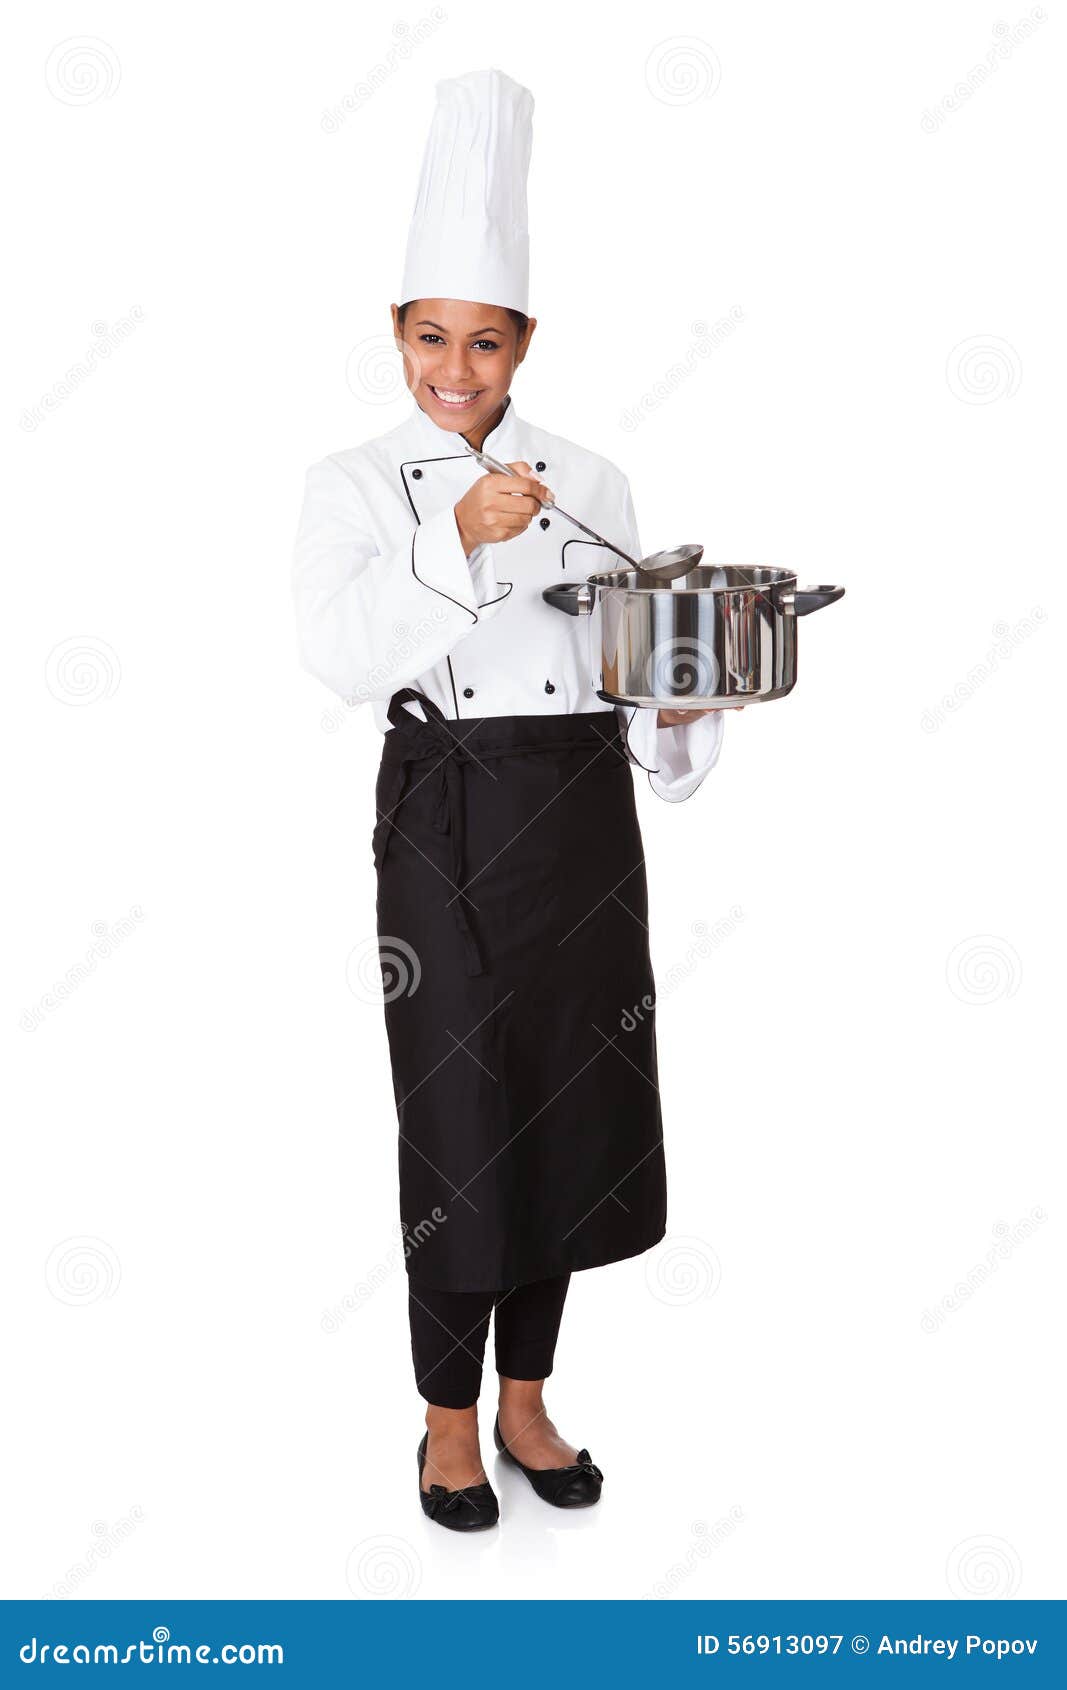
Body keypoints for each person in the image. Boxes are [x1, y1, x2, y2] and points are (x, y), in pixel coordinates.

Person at [292, 69, 726, 1532]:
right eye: (432, 339)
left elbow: (640, 691)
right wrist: (455, 540)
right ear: (399, 339)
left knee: (566, 1109)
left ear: (525, 341)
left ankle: (532, 1396)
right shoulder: (354, 487)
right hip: (443, 815)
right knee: (459, 1119)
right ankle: (446, 1418)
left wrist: (680, 707)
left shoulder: (592, 472)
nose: (456, 369)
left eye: (485, 341)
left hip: (580, 818)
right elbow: (335, 654)